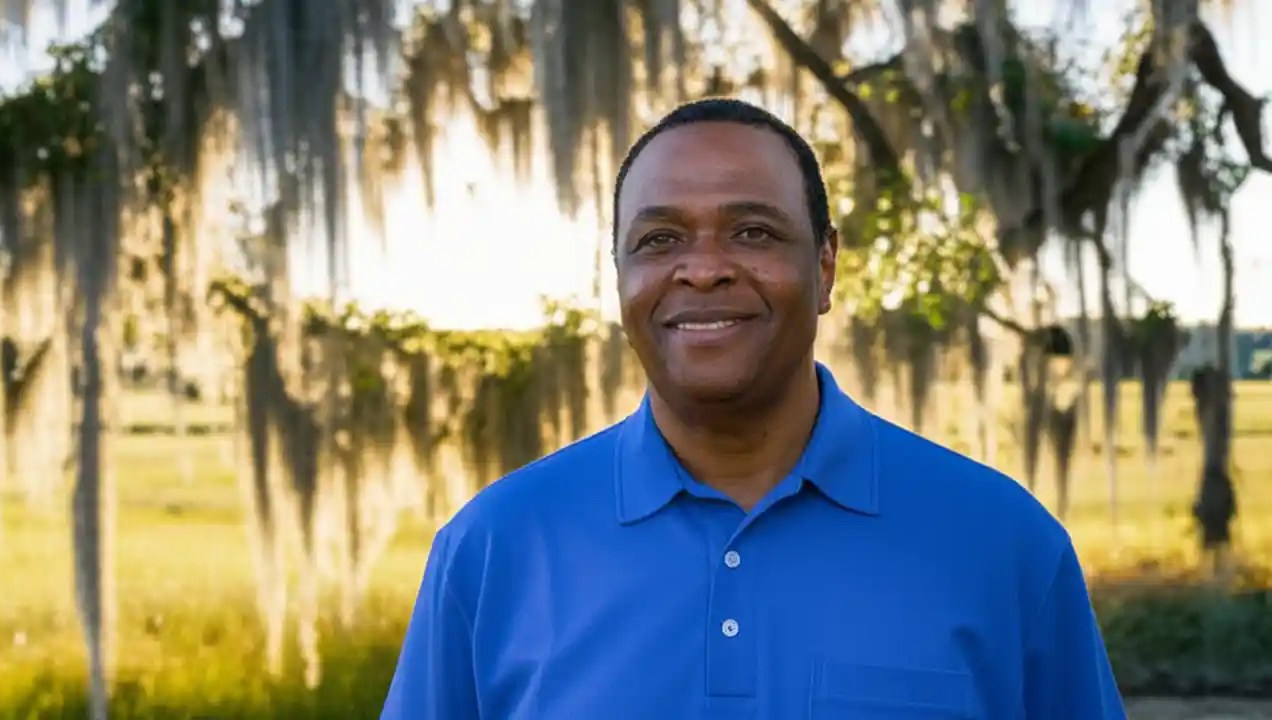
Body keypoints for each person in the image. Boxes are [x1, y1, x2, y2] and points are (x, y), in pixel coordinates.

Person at [380, 98, 1126, 719]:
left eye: (753, 232)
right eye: (659, 239)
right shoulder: (492, 548)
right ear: (620, 277)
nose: (704, 269)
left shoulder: (1003, 543)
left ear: (825, 266)